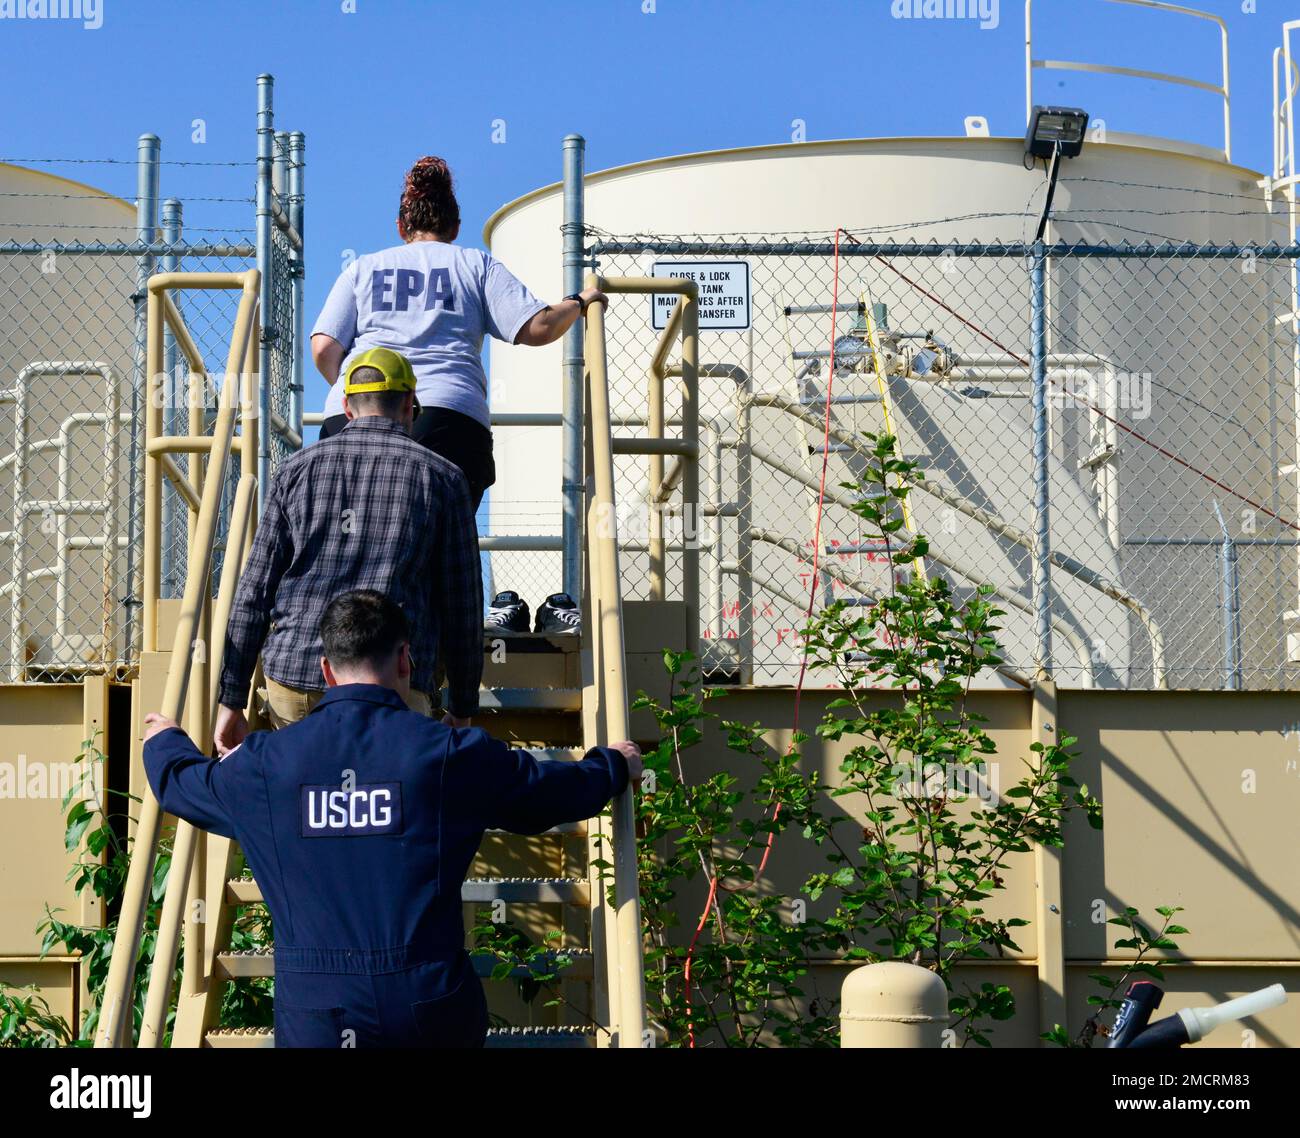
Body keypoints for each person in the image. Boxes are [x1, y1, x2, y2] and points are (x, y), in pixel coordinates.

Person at [144, 590, 642, 1048]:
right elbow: (548, 794)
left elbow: (181, 784)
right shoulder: (449, 754)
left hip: (317, 1010)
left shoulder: (266, 764)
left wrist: (165, 737)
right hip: (429, 1004)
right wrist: (613, 763)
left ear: (325, 670)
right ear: (406, 659)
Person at [213, 348, 481, 757]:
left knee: (301, 803)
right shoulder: (443, 478)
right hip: (394, 684)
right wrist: (462, 708)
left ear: (346, 407)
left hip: (298, 674)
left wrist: (231, 699)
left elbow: (253, 592)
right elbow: (463, 604)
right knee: (387, 806)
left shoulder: (294, 471)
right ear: (410, 404)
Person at [310, 155, 607, 511]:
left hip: (356, 415)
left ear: (401, 226)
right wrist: (579, 300)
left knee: (353, 535)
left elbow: (324, 348)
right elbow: (539, 327)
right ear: (455, 227)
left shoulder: (362, 268)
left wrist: (357, 391)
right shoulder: (475, 265)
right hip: (447, 419)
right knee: (442, 544)